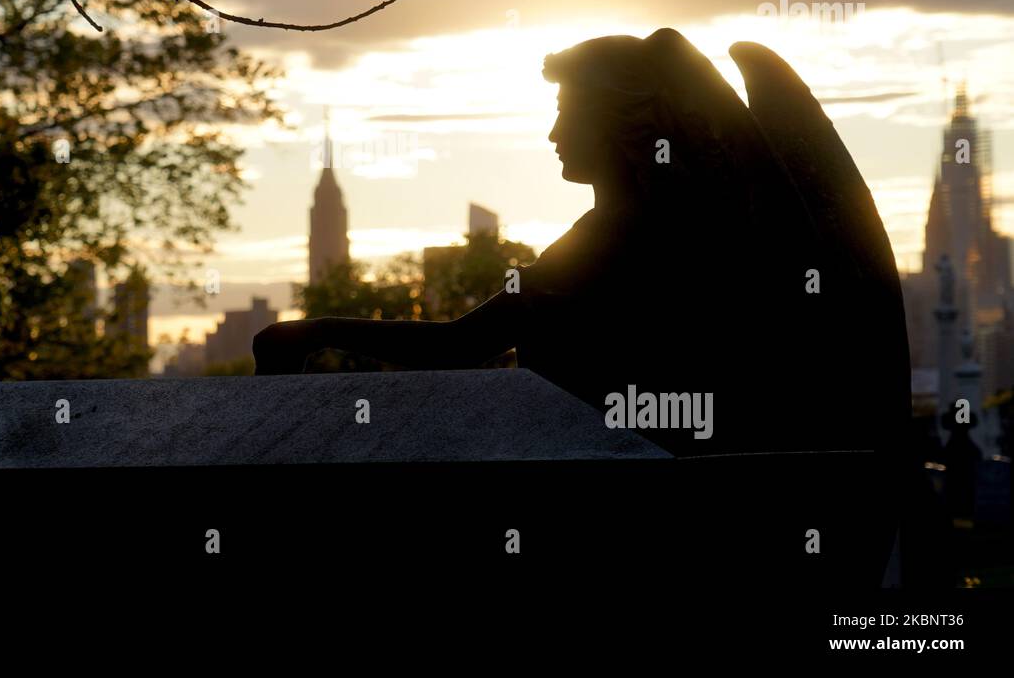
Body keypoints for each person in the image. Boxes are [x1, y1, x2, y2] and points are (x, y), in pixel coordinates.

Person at [254, 28, 828, 457]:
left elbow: (461, 345)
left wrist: (321, 331)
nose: (553, 134)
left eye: (565, 112)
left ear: (616, 121)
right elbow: (464, 344)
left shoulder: (617, 241)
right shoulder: (639, 233)